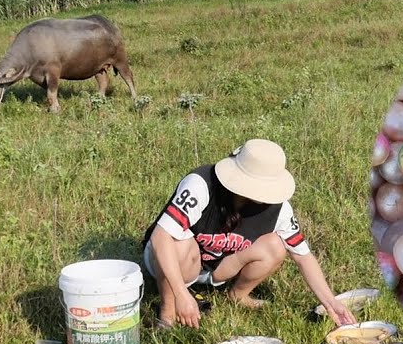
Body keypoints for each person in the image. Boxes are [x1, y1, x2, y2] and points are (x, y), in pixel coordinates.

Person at [141, 138, 358, 329]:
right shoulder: (201, 184)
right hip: (176, 260)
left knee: (276, 246)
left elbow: (303, 256)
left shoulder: (279, 209)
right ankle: (167, 315)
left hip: (218, 266)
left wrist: (331, 302)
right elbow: (161, 238)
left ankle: (238, 296)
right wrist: (182, 295)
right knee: (179, 240)